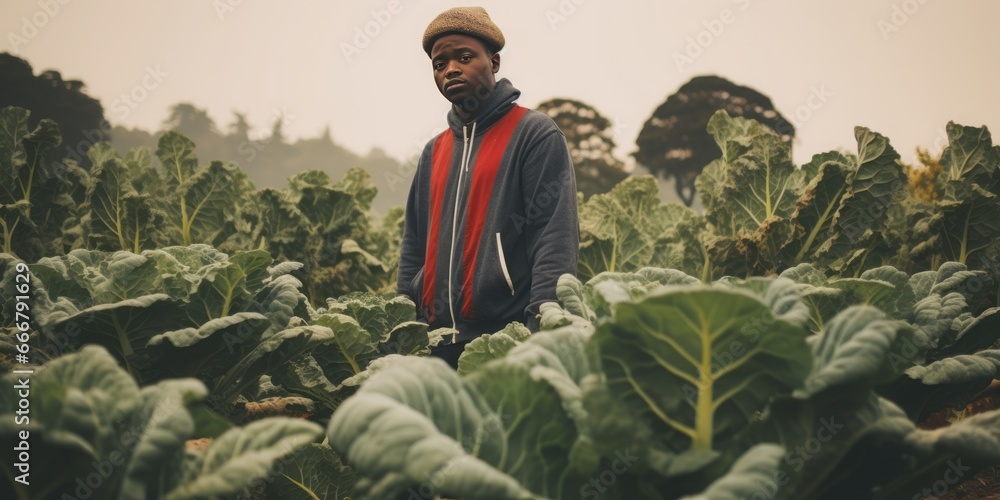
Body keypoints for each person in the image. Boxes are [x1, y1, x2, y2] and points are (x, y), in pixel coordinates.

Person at [397, 6, 579, 369]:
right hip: (434, 348)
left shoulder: (533, 134)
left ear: (494, 62)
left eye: (464, 57)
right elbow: (413, 247)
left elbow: (554, 238)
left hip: (505, 343)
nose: (450, 69)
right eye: (439, 63)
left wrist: (541, 330)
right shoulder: (434, 152)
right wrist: (405, 329)